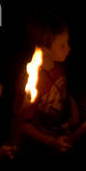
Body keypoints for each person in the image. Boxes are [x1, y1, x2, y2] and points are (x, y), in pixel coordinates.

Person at [12, 14, 79, 152]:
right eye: (62, 45)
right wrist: (51, 142)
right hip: (38, 146)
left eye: (67, 43)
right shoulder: (32, 79)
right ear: (44, 48)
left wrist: (73, 110)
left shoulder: (58, 66)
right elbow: (22, 124)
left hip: (59, 134)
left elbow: (62, 92)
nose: (69, 48)